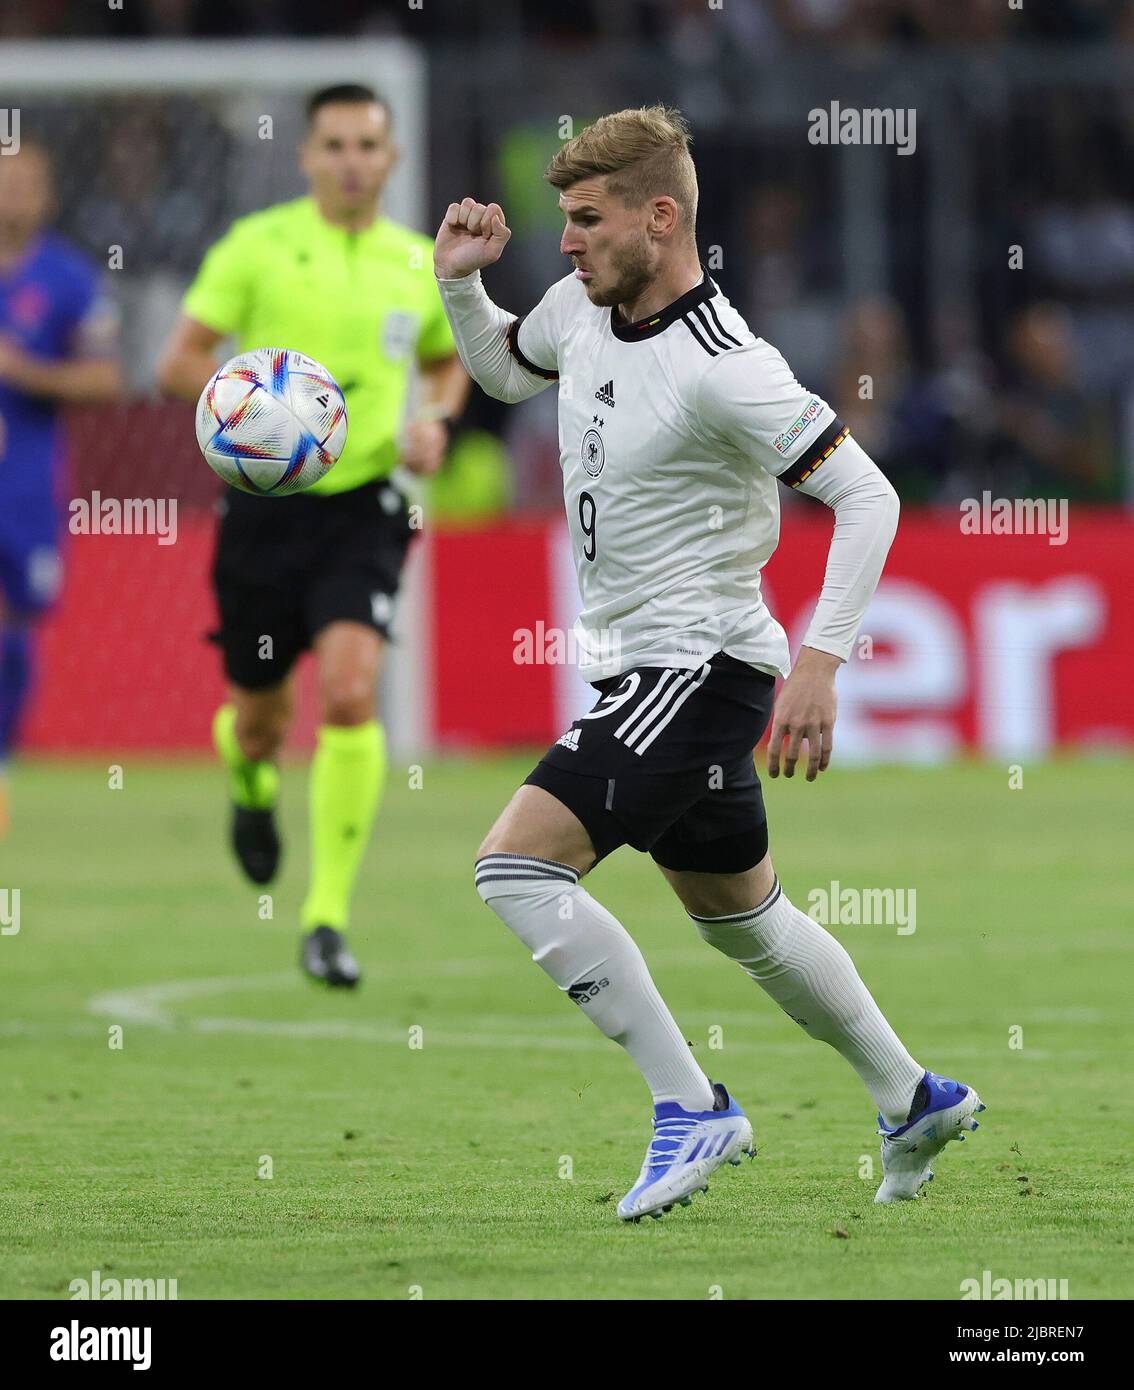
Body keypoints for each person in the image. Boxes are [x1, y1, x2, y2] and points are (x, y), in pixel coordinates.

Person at [433, 106, 985, 1220]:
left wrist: (822, 665)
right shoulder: (577, 308)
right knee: (746, 919)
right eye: (562, 221)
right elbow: (501, 373)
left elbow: (865, 495)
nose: (569, 241)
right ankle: (909, 1092)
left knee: (514, 868)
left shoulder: (727, 366)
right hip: (646, 667)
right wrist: (459, 284)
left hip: (698, 669)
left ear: (661, 216)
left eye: (588, 220)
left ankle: (692, 1107)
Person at [158, 84, 468, 986]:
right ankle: (247, 775)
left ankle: (325, 918)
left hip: (365, 504)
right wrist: (242, 400)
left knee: (349, 689)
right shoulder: (256, 247)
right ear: (305, 155)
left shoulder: (418, 264)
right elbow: (177, 360)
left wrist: (437, 424)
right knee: (260, 718)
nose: (349, 161)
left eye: (367, 144)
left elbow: (448, 372)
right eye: (333, 143)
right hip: (260, 512)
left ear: (392, 158)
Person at [0, 141, 123, 837]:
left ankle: (3, 766)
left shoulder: (71, 279)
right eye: (3, 182)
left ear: (45, 197)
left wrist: (25, 371)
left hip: (25, 488)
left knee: (19, 629)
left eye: (26, 184)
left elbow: (105, 380)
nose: (13, 195)